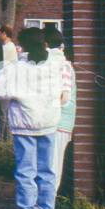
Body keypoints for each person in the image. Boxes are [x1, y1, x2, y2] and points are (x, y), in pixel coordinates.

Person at [0, 27, 64, 209]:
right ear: (44, 43)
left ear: (22, 45)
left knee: (26, 171)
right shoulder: (55, 64)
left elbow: (1, 90)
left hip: (24, 123)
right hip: (49, 121)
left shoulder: (15, 67)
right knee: (47, 171)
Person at [43, 25, 76, 195]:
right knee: (50, 165)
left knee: (52, 166)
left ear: (46, 44)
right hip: (57, 122)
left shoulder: (60, 65)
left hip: (58, 122)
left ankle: (46, 207)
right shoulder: (58, 62)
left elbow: (64, 97)